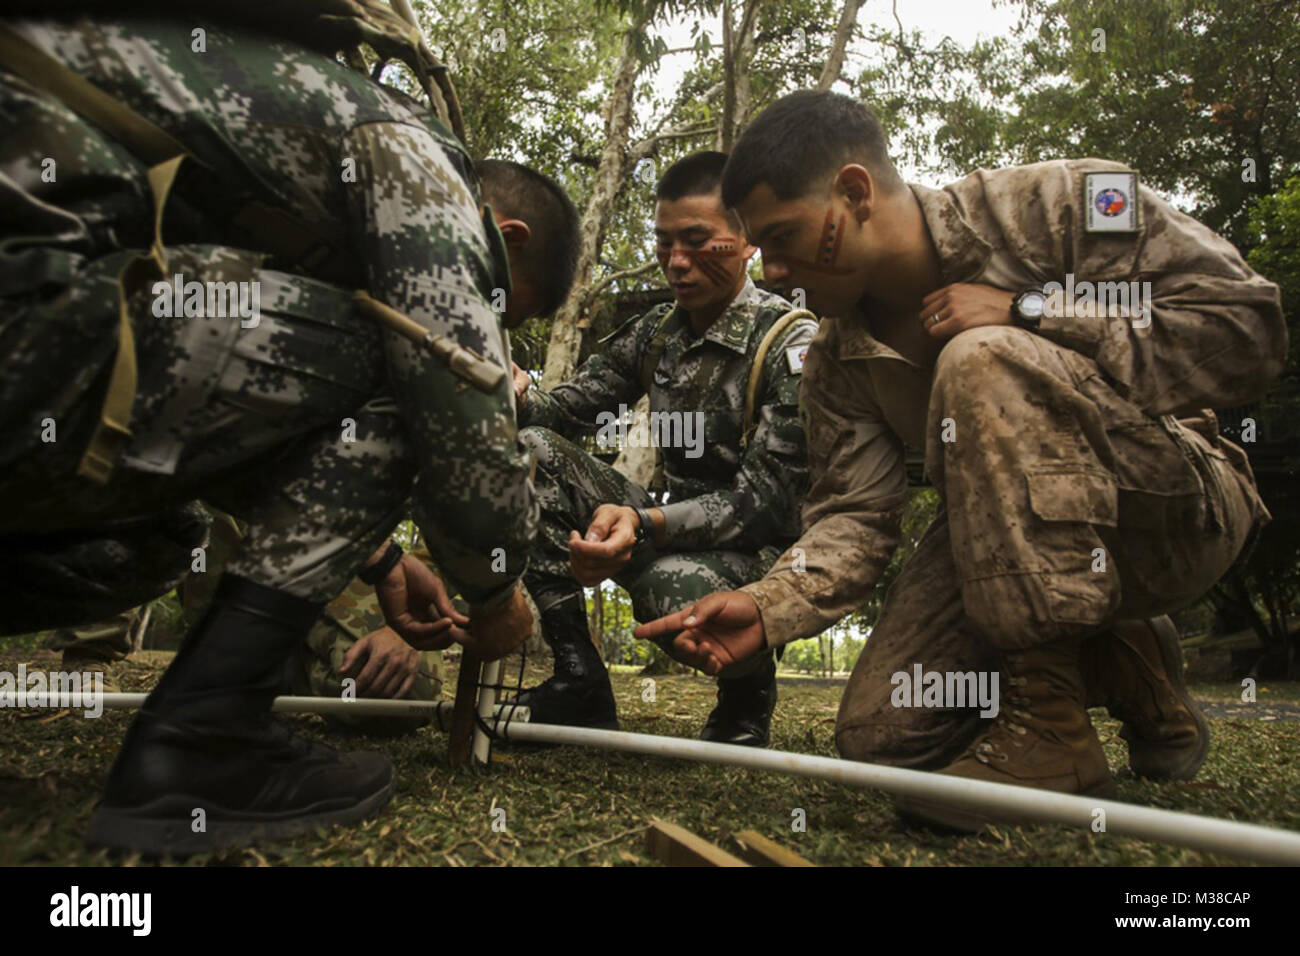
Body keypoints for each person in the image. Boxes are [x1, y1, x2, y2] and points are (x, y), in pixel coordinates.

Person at [0, 13, 578, 853]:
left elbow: (212, 393)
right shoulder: (418, 153)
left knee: (149, 542)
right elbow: (456, 400)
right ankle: (202, 739)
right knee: (408, 357)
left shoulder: (252, 146)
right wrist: (494, 587)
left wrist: (381, 559)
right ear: (505, 240)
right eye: (500, 312)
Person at [636, 91, 1285, 829]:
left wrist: (1028, 311)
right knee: (880, 737)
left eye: (784, 239)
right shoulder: (834, 359)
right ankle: (1125, 656)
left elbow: (1248, 327)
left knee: (980, 360)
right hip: (1004, 547)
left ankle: (1054, 730)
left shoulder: (1061, 202)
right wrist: (766, 604)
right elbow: (853, 515)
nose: (774, 271)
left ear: (853, 193)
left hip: (1175, 511)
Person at [512, 151, 816, 746]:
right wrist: (518, 391)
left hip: (763, 554)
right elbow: (567, 411)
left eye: (699, 241)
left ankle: (745, 699)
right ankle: (580, 679)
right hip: (660, 528)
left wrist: (643, 523)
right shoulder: (658, 332)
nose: (677, 262)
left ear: (748, 241)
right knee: (529, 452)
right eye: (664, 242)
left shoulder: (790, 342)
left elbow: (768, 502)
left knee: (671, 590)